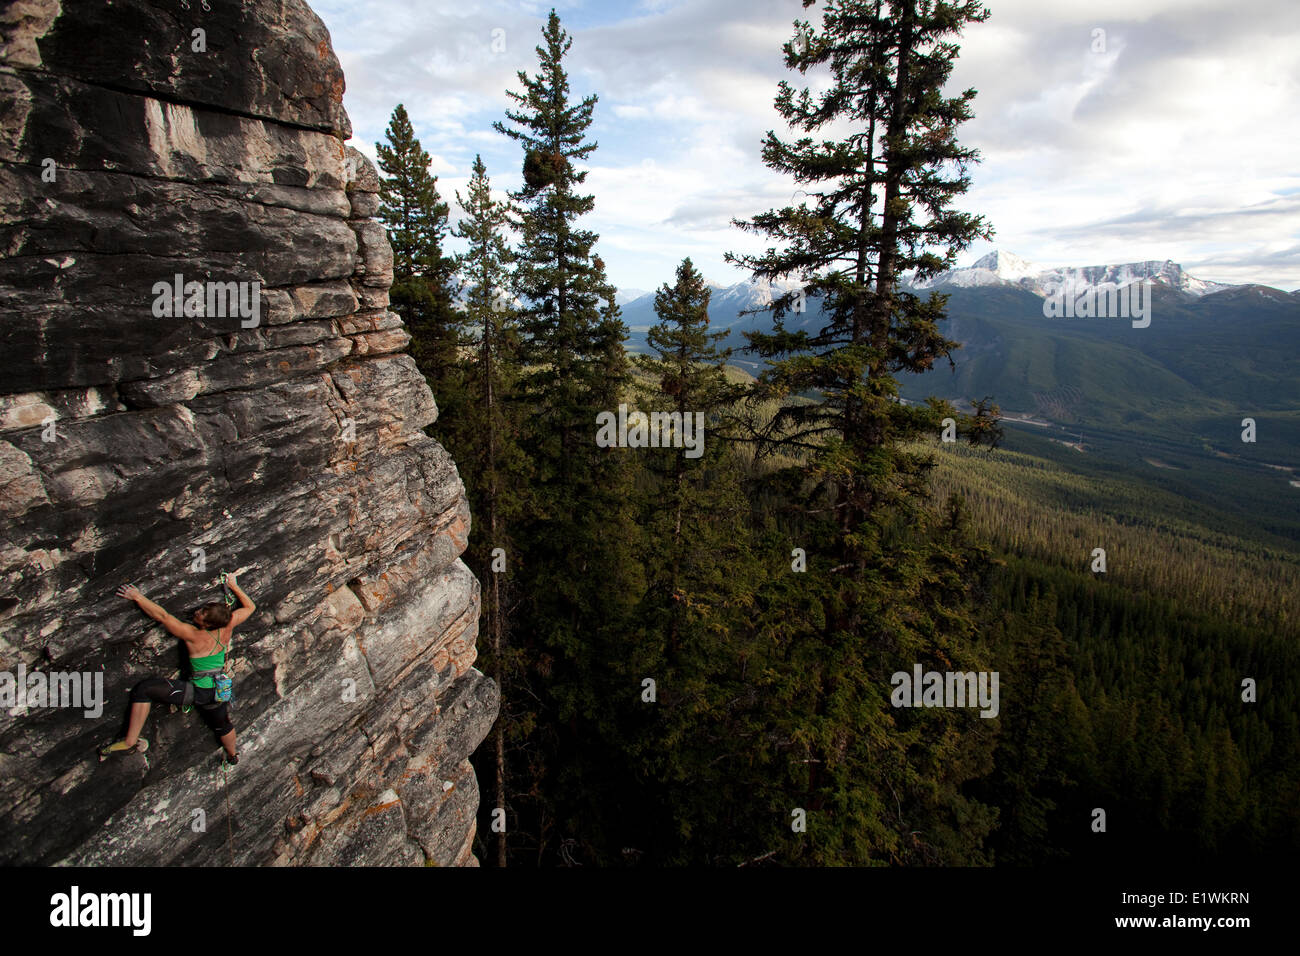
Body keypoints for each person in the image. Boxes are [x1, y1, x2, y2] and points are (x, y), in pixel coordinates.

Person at [99, 572, 255, 765]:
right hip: (218, 691)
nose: (198, 612)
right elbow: (250, 607)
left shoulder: (193, 635)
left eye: (202, 614)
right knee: (222, 724)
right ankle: (232, 755)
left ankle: (131, 740)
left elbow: (163, 616)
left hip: (197, 692)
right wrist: (234, 585)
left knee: (144, 690)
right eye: (203, 609)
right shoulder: (228, 623)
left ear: (207, 624)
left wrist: (137, 596)